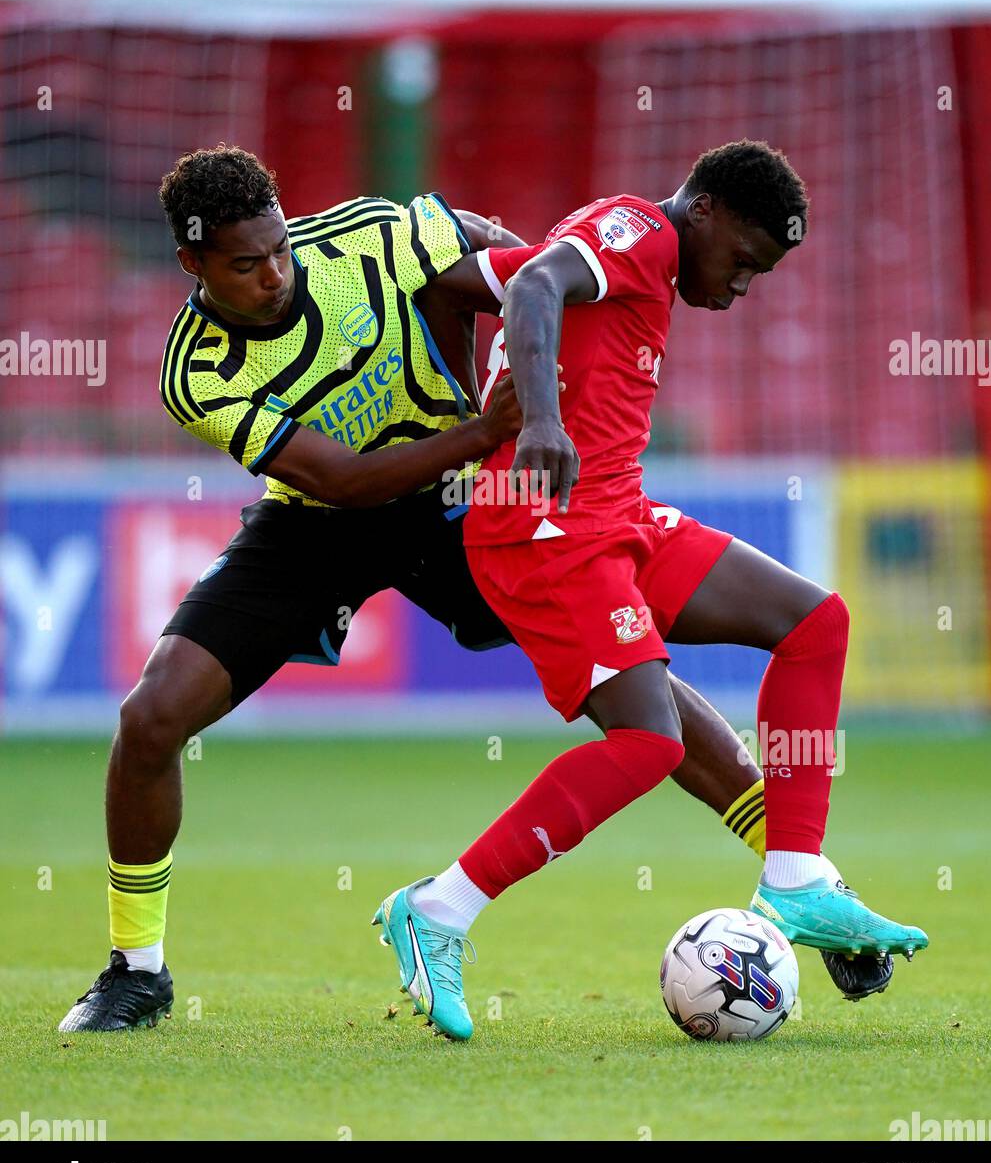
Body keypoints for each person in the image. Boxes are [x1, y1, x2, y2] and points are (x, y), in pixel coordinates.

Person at [58, 144, 889, 1033]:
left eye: (280, 248)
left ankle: (802, 874)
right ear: (192, 264)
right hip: (319, 523)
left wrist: (532, 377)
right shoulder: (196, 371)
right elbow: (338, 479)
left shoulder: (372, 236)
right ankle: (135, 972)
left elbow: (524, 271)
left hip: (467, 502)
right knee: (150, 718)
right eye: (244, 264)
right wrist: (497, 424)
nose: (275, 275)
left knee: (629, 678)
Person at [374, 140, 926, 1040]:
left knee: (814, 622)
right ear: (703, 211)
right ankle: (436, 910)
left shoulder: (647, 266)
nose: (743, 286)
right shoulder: (632, 230)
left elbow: (454, 282)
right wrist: (529, 424)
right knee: (646, 743)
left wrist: (468, 394)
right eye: (744, 262)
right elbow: (536, 283)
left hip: (615, 516)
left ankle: (794, 878)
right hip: (542, 525)